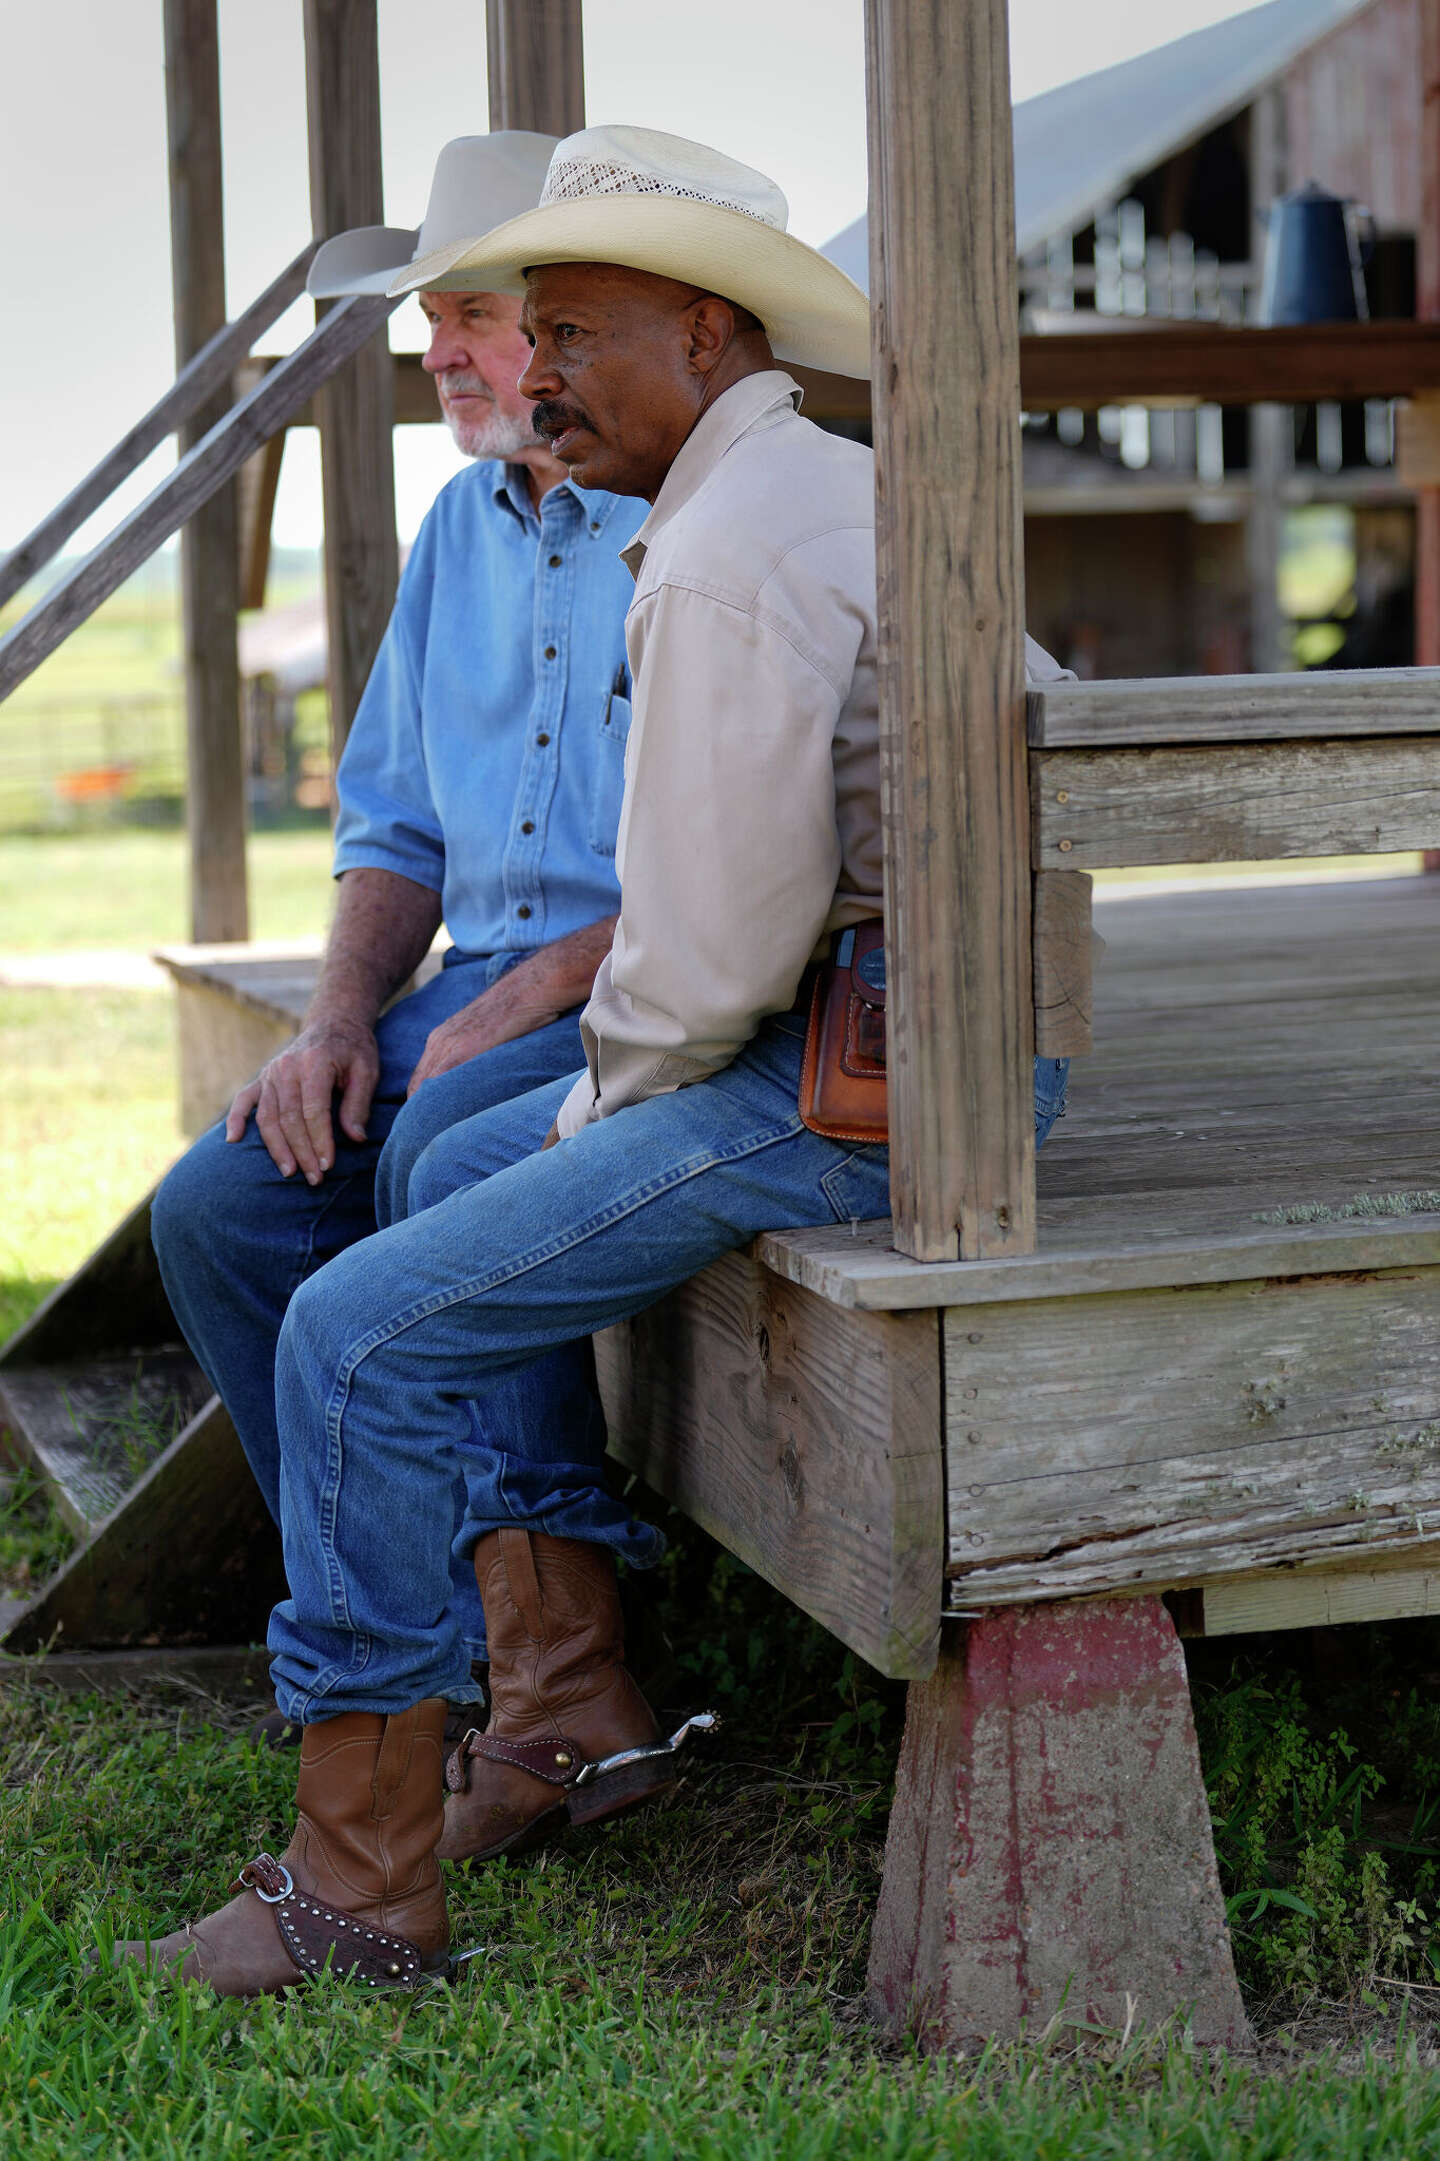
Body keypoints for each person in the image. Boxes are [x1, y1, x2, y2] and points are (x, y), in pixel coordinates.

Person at [117, 125, 1071, 1995]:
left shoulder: (717, 551)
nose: (534, 376)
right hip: (884, 1040)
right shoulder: (801, 485)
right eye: (521, 333)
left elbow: (698, 965)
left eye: (571, 334)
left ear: (707, 334)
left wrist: (572, 1104)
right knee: (425, 1185)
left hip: (859, 1089)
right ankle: (550, 1697)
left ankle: (358, 1885)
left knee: (360, 1323)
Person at [148, 134, 647, 1731]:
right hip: (472, 986)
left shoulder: (686, 520)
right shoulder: (455, 534)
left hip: (653, 981)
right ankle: (405, 1647)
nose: (433, 355)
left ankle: (545, 1674)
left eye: (472, 317)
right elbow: (398, 831)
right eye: (429, 323)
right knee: (222, 1206)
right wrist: (338, 1017)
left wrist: (506, 1013)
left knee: (448, 1137)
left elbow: (739, 873)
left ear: (575, 323)